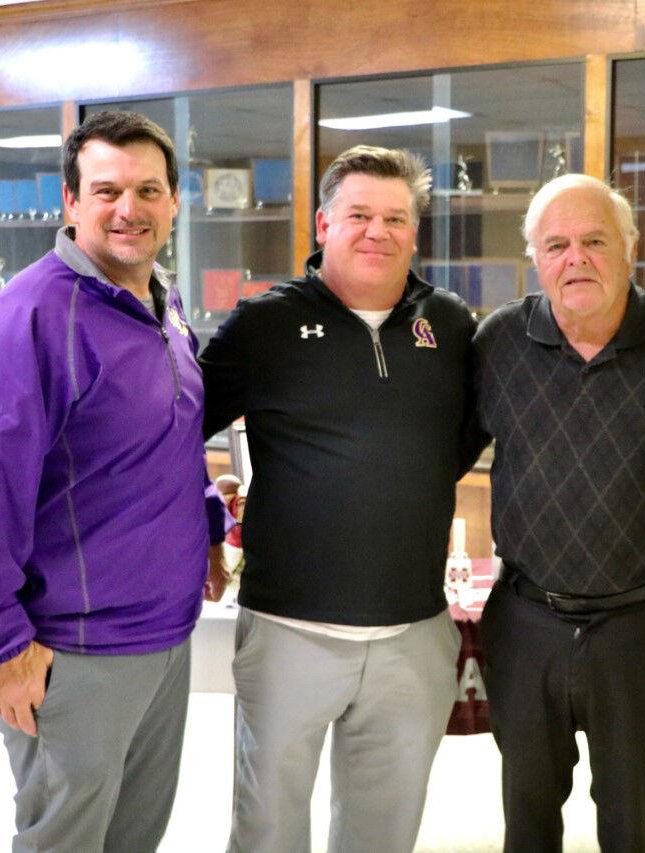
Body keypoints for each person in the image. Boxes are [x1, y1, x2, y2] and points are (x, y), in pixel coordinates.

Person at [0, 110, 230, 852]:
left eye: (149, 190)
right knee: (65, 839)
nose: (130, 208)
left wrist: (207, 528)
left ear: (174, 201)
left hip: (164, 635)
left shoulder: (161, 302)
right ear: (71, 202)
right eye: (107, 190)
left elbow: (164, 439)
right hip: (75, 648)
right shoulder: (27, 320)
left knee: (133, 837)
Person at [199, 145, 478, 853]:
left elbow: (467, 436)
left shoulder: (449, 325)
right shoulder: (266, 324)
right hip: (290, 625)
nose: (376, 231)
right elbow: (172, 425)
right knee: (268, 829)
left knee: (384, 832)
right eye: (359, 214)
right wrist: (202, 508)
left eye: (395, 217)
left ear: (415, 232)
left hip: (413, 633)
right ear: (324, 223)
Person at [472, 174, 645, 853]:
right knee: (526, 820)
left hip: (643, 624)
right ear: (535, 257)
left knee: (629, 821)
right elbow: (433, 452)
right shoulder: (499, 343)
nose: (575, 258)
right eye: (555, 244)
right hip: (526, 621)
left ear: (630, 249)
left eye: (594, 241)